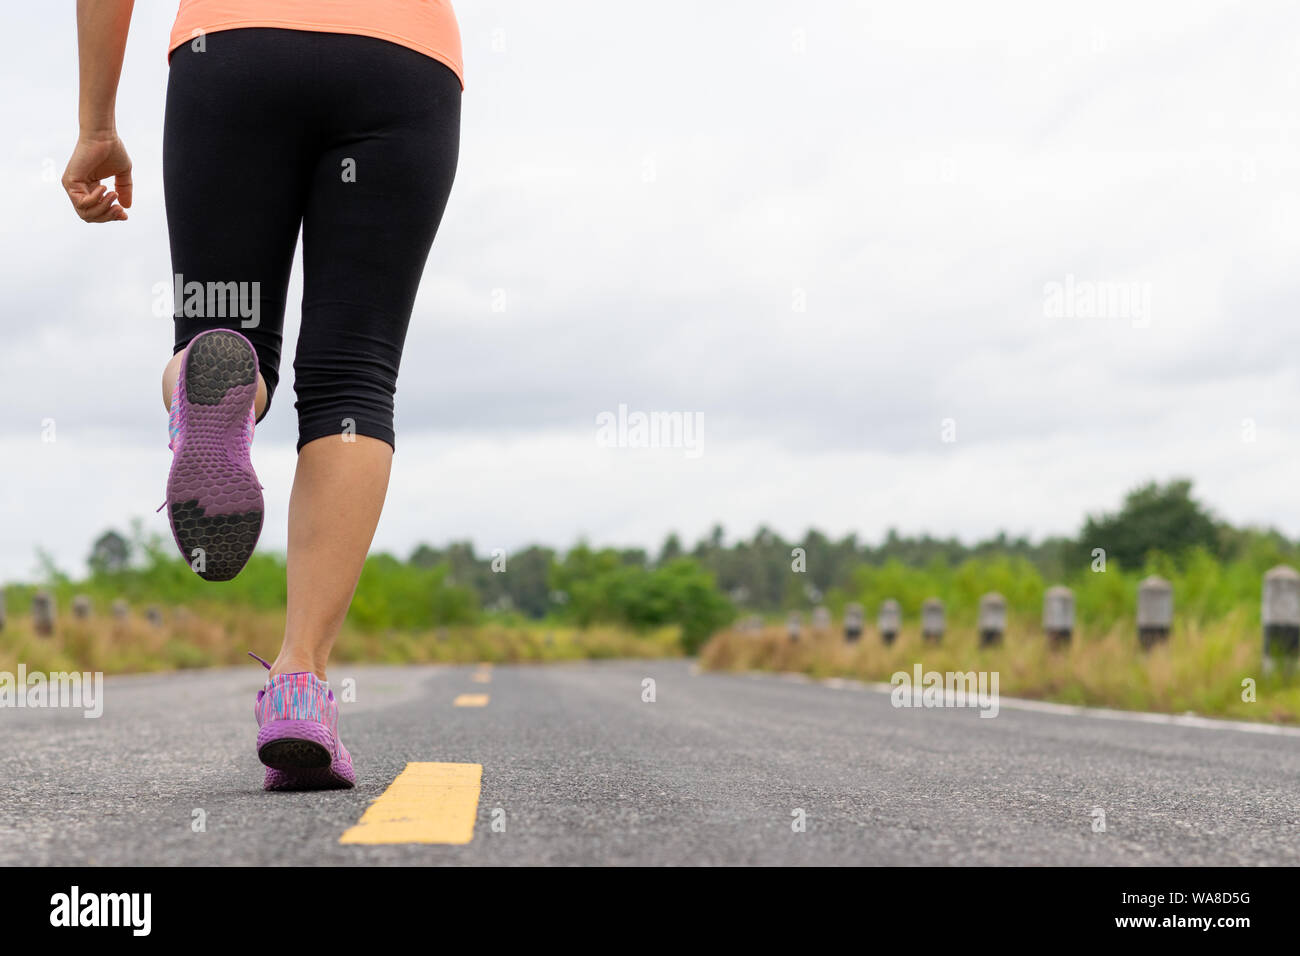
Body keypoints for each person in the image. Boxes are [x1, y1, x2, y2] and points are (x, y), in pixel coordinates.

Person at [62, 0, 463, 790]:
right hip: (403, 62)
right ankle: (300, 683)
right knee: (354, 377)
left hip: (234, 47)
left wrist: (98, 123)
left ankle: (216, 383)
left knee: (221, 330)